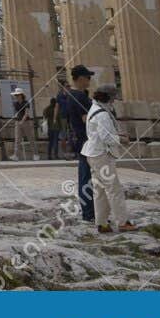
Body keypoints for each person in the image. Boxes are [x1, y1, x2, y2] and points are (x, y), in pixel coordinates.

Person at [83, 85, 135, 233]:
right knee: (114, 189)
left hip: (93, 154)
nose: (113, 101)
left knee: (99, 190)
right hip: (101, 155)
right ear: (107, 97)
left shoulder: (94, 110)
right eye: (112, 98)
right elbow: (106, 137)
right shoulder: (102, 114)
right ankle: (123, 222)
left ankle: (102, 223)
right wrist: (122, 140)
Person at [64, 65, 95, 221]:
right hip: (86, 140)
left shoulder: (71, 95)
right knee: (87, 178)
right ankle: (89, 213)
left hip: (80, 139)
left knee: (86, 177)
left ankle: (89, 212)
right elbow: (86, 119)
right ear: (81, 78)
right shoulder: (80, 97)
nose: (90, 80)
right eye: (88, 77)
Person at [10, 86, 36, 161]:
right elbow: (16, 112)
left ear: (21, 95)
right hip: (18, 122)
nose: (16, 96)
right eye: (15, 95)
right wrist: (17, 119)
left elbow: (26, 113)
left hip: (26, 122)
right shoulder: (15, 103)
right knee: (17, 139)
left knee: (30, 138)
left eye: (17, 95)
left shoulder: (26, 103)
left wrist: (22, 121)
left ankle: (35, 154)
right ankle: (16, 155)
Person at [43, 89, 62, 160]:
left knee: (50, 142)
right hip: (56, 128)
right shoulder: (57, 109)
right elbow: (59, 118)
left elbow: (44, 115)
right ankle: (56, 155)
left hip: (50, 127)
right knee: (55, 142)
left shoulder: (47, 109)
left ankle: (49, 155)